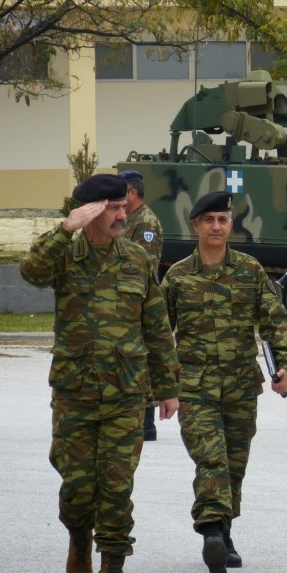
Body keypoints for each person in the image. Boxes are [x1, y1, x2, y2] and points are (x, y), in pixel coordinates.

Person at [19, 174, 180, 573]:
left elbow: (157, 327)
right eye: (112, 208)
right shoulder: (65, 254)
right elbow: (30, 273)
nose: (122, 216)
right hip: (75, 390)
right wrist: (64, 229)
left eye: (124, 208)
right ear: (89, 211)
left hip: (127, 393)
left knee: (117, 488)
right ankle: (77, 536)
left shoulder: (136, 259)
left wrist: (167, 387)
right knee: (77, 488)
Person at [162, 191, 287, 573]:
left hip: (241, 386)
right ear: (196, 226)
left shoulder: (250, 271)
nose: (216, 227)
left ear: (231, 224)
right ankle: (209, 530)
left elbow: (277, 322)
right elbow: (157, 333)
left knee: (234, 465)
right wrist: (160, 386)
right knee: (212, 459)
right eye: (209, 220)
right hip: (194, 388)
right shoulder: (177, 277)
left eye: (222, 219)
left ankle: (225, 532)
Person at [118, 169, 165, 443]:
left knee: (143, 360)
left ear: (132, 193)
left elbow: (141, 266)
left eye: (121, 193)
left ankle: (147, 424)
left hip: (139, 300)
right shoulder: (129, 219)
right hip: (127, 299)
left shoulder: (145, 222)